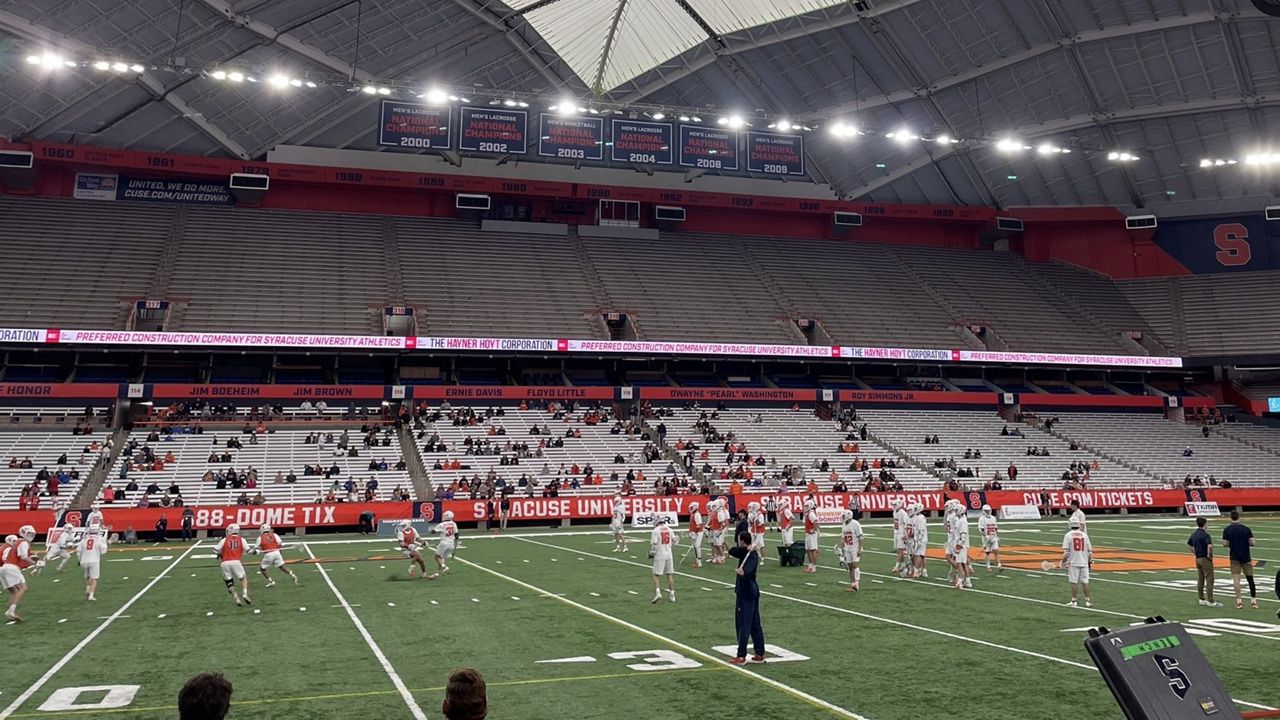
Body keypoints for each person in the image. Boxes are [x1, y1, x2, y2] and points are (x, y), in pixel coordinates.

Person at [728, 531, 765, 665]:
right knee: (754, 623)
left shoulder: (752, 555)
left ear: (742, 540)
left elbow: (749, 570)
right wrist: (745, 548)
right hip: (750, 592)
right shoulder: (745, 552)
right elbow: (732, 551)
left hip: (747, 592)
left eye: (739, 540)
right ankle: (760, 653)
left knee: (744, 624)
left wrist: (743, 572)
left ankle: (741, 656)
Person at [1222, 510, 1258, 609]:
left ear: (1231, 517)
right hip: (1246, 556)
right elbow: (1252, 542)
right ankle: (1254, 601)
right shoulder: (1246, 529)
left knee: (1236, 580)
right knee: (1250, 579)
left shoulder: (1227, 529)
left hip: (1234, 557)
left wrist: (1232, 544)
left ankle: (1239, 601)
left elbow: (1224, 543)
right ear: (1239, 517)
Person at [2, 526, 38, 621]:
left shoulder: (17, 542)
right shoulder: (23, 542)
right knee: (22, 588)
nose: (31, 536)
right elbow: (23, 556)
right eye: (29, 534)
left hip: (5, 567)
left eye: (32, 534)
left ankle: (10, 610)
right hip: (12, 567)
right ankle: (11, 611)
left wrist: (34, 559)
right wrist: (35, 562)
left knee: (15, 591)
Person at [213, 524, 251, 607]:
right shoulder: (242, 540)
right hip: (236, 561)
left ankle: (236, 597)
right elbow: (248, 550)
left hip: (224, 563)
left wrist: (220, 554)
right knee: (243, 578)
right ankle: (245, 594)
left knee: (229, 582)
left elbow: (215, 550)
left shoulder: (224, 540)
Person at [1187, 517, 1220, 607]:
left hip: (1197, 558)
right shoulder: (1206, 535)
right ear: (1205, 524)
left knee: (1200, 579)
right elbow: (1210, 546)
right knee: (1209, 579)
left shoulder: (1194, 534)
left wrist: (1195, 552)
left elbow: (1189, 545)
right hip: (1205, 558)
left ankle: (1201, 598)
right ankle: (1210, 600)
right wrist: (1209, 555)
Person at [1062, 519, 1092, 608]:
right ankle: (1088, 601)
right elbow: (1089, 551)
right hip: (1084, 562)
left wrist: (1063, 562)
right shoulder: (1084, 535)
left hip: (1074, 562)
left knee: (1074, 582)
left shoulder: (1068, 535)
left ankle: (1074, 601)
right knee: (1086, 581)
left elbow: (1067, 552)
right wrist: (1089, 562)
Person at [649, 516, 677, 603]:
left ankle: (658, 592)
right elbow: (675, 541)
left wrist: (651, 553)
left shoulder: (656, 530)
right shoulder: (670, 529)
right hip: (669, 554)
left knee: (656, 574)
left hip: (660, 554)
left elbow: (654, 544)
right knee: (669, 574)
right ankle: (672, 593)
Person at [77, 524, 107, 601]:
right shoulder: (99, 539)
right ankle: (91, 595)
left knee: (88, 576)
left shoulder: (84, 539)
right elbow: (104, 551)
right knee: (94, 578)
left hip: (84, 561)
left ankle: (88, 588)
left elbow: (78, 551)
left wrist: (79, 560)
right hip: (94, 560)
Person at [837, 509, 863, 592]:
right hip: (847, 548)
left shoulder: (855, 524)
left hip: (855, 548)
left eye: (844, 516)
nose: (843, 517)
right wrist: (840, 547)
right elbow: (843, 538)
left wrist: (860, 548)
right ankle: (852, 585)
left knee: (855, 565)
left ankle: (857, 584)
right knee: (850, 567)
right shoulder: (844, 525)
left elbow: (860, 537)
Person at [950, 501, 972, 589]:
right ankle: (967, 581)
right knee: (963, 564)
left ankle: (960, 581)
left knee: (959, 563)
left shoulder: (962, 521)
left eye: (956, 510)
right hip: (962, 544)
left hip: (961, 545)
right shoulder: (961, 520)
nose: (955, 512)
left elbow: (963, 534)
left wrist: (959, 545)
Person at [431, 511, 459, 579]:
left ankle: (444, 567)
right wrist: (456, 542)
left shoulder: (442, 524)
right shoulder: (453, 524)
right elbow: (456, 535)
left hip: (444, 543)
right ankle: (437, 572)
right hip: (451, 544)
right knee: (441, 558)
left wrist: (432, 530)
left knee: (436, 556)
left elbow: (434, 531)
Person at [978, 504, 1002, 571]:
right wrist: (985, 536)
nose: (988, 512)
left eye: (988, 511)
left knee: (996, 551)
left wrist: (997, 536)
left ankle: (999, 565)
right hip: (986, 538)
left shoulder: (993, 518)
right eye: (986, 511)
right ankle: (988, 566)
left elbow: (996, 528)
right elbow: (982, 529)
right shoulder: (982, 519)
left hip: (993, 537)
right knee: (987, 552)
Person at [907, 503, 928, 578]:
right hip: (916, 538)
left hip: (921, 539)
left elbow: (922, 530)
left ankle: (916, 572)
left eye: (916, 509)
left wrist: (919, 540)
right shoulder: (917, 517)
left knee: (919, 555)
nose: (914, 510)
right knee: (916, 555)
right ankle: (918, 570)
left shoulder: (920, 518)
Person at [890, 498, 908, 575]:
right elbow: (895, 521)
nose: (894, 506)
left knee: (901, 550)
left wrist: (905, 534)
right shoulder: (895, 512)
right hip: (896, 532)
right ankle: (903, 565)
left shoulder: (903, 513)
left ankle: (897, 566)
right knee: (899, 550)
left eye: (895, 504)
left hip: (901, 533)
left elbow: (906, 523)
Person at [708, 499, 729, 565]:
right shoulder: (715, 512)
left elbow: (722, 523)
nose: (713, 507)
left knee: (719, 545)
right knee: (715, 544)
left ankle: (722, 557)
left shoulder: (720, 512)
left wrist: (720, 531)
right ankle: (718, 557)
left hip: (718, 530)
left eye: (715, 506)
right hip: (714, 529)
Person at [802, 498, 820, 574]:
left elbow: (816, 521)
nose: (805, 508)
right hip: (808, 533)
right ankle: (810, 566)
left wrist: (813, 529)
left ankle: (814, 567)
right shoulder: (808, 513)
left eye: (806, 506)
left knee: (812, 550)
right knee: (808, 550)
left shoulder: (811, 513)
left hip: (811, 534)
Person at [687, 501, 705, 569]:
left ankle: (699, 562)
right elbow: (692, 525)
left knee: (697, 546)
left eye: (691, 507)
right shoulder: (693, 514)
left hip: (698, 532)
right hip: (695, 532)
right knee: (695, 546)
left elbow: (699, 525)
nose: (690, 509)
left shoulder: (697, 514)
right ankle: (697, 560)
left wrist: (695, 533)